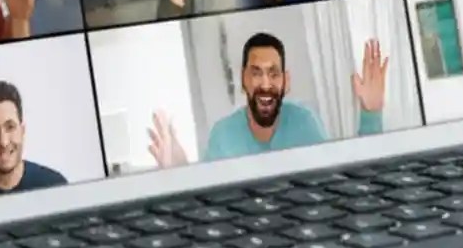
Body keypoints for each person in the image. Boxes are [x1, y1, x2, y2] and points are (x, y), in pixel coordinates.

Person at [146, 34, 388, 166]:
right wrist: (180, 173)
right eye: (256, 73)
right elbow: (208, 202)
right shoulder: (222, 136)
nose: (265, 84)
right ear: (243, 80)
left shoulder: (305, 122)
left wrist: (371, 114)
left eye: (273, 74)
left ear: (286, 81)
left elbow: (339, 183)